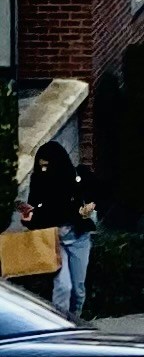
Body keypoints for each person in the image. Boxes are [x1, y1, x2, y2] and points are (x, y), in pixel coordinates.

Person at [29, 137, 97, 323]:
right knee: (63, 286)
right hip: (54, 240)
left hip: (78, 237)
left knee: (78, 289)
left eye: (47, 166)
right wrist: (29, 217)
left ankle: (74, 322)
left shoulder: (76, 177)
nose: (44, 170)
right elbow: (35, 209)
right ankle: (59, 328)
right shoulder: (39, 180)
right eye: (41, 166)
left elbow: (95, 194)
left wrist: (88, 208)